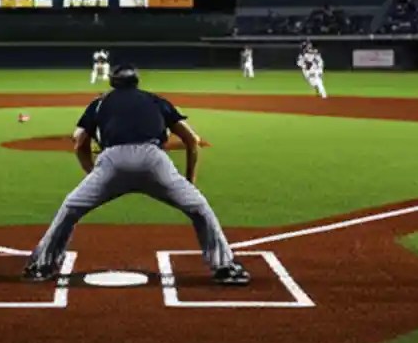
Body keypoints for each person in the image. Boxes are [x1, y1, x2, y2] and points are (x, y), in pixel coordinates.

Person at [23, 64, 250, 286]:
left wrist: (94, 173)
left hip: (112, 161)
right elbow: (191, 140)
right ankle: (224, 266)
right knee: (199, 208)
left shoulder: (100, 103)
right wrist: (189, 181)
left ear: (113, 82)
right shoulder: (155, 100)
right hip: (154, 161)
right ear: (136, 81)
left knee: (70, 209)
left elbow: (79, 141)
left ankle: (43, 265)